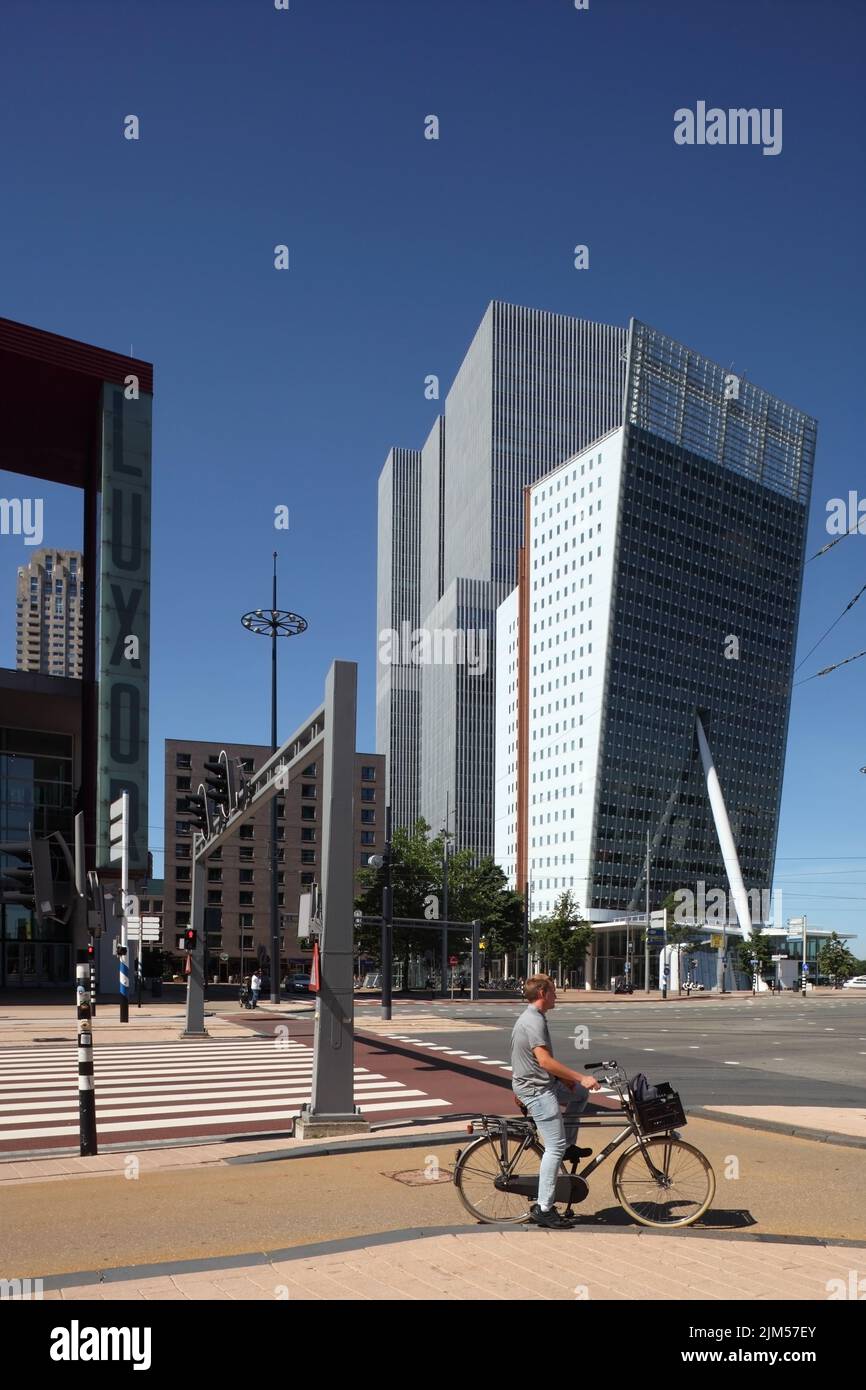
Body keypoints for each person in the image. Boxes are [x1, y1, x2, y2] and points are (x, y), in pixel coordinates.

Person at [510, 973, 601, 1229]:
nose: (556, 996)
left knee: (580, 1095)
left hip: (542, 1083)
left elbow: (525, 1058)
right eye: (553, 992)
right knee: (554, 1147)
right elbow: (544, 1061)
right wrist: (580, 1077)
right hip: (537, 1090)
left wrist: (569, 1083)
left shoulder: (534, 1017)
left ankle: (569, 1145)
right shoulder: (533, 1021)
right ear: (542, 994)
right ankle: (544, 1208)